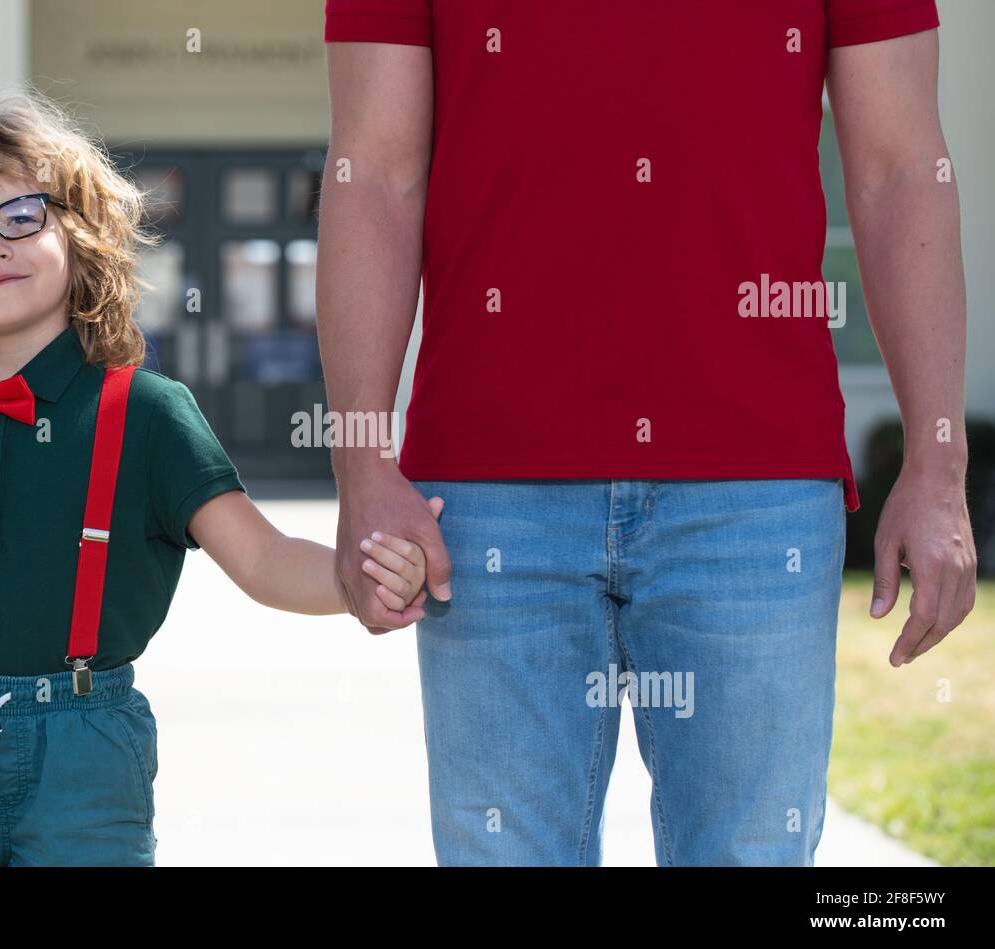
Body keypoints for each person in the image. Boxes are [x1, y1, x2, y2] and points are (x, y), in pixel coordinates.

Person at [319, 0, 976, 865]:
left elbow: (900, 172)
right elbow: (371, 175)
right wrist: (362, 467)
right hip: (486, 495)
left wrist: (937, 467)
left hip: (756, 490)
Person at [0, 88, 438, 866]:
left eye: (20, 217)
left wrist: (362, 577)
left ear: (79, 235)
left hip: (83, 752)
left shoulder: (150, 415)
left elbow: (260, 560)